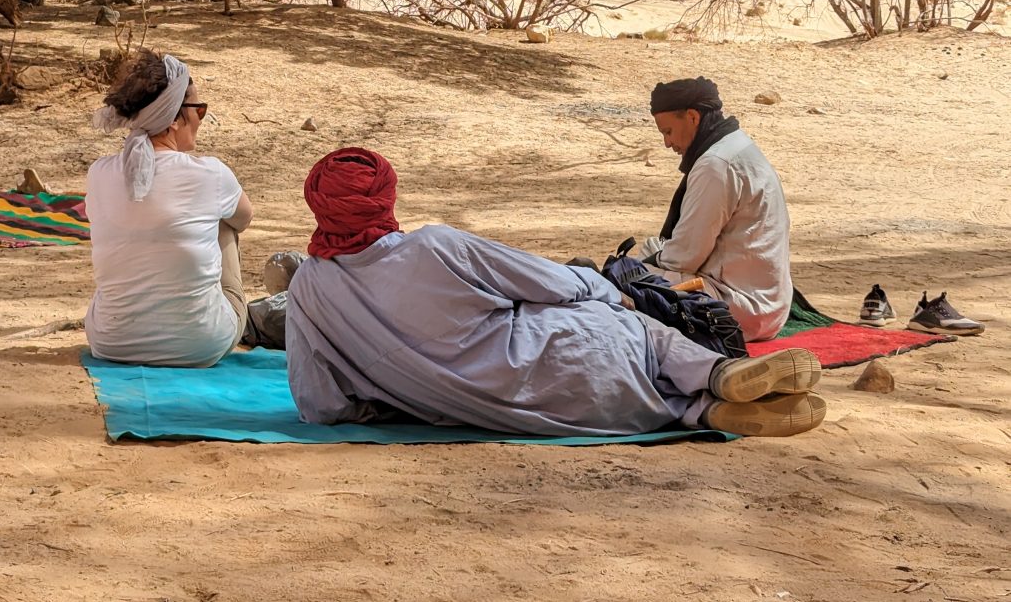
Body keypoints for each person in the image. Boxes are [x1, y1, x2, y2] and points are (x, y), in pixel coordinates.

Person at [285, 148, 825, 439]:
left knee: (641, 374)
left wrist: (403, 401)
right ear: (386, 198)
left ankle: (704, 413)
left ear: (319, 205)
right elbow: (550, 281)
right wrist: (609, 291)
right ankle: (718, 376)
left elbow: (320, 403)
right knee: (633, 328)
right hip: (572, 364)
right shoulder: (435, 245)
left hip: (493, 413)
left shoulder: (309, 285)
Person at [84, 49, 254, 366]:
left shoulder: (98, 173)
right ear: (175, 119)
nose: (202, 119)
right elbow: (245, 219)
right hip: (201, 344)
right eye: (199, 110)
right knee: (225, 220)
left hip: (111, 342)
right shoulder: (211, 174)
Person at [640, 77, 791, 343]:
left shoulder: (715, 165)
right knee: (649, 253)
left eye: (668, 132)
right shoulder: (737, 143)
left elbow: (685, 257)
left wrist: (649, 262)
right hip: (771, 305)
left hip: (737, 310)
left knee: (630, 281)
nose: (666, 143)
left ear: (692, 117)